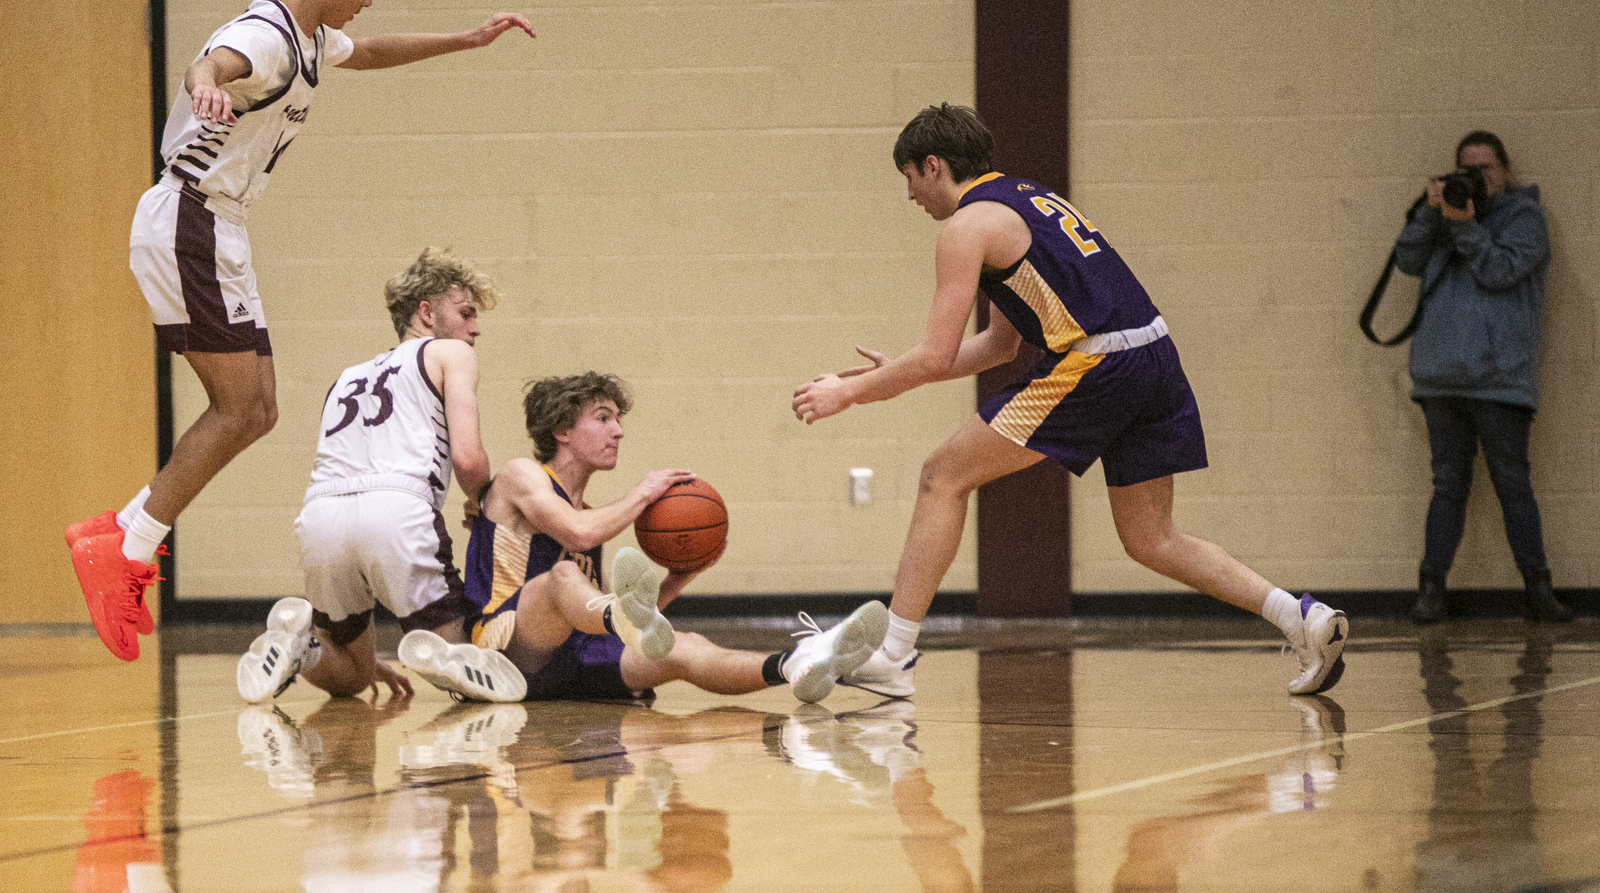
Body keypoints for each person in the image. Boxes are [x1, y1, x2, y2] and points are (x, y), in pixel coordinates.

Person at [65, 0, 537, 662]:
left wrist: (466, 38)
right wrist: (203, 86)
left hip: (220, 227)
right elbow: (213, 64)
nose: (370, 1)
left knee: (258, 412)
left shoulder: (314, 38)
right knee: (236, 408)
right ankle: (122, 546)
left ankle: (122, 534)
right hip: (190, 217)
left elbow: (373, 50)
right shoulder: (264, 36)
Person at [792, 103, 1349, 698]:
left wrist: (848, 391)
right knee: (1150, 538)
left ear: (934, 165)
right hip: (1154, 354)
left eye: (908, 177)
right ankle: (1303, 619)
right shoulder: (1024, 198)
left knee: (941, 476)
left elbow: (935, 356)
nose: (909, 196)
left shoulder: (965, 228)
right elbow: (1000, 346)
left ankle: (894, 655)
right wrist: (898, 370)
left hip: (1100, 363)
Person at [456, 372, 887, 704]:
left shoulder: (592, 515)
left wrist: (675, 582)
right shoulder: (522, 476)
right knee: (563, 576)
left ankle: (799, 665)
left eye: (619, 420)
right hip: (504, 649)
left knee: (686, 648)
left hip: (570, 660)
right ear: (562, 430)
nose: (619, 431)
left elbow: (602, 614)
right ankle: (620, 613)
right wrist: (643, 493)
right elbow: (576, 533)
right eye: (603, 418)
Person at [235, 247, 525, 704]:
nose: (475, 327)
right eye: (466, 312)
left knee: (352, 674)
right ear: (426, 313)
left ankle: (300, 646)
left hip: (321, 520)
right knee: (460, 659)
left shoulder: (348, 376)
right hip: (398, 511)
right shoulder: (451, 354)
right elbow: (469, 459)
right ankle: (441, 654)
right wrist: (481, 502)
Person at [1393, 131, 1571, 623]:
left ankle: (1539, 591)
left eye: (1487, 167)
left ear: (1506, 170)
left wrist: (1465, 225)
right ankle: (1431, 591)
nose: (1478, 177)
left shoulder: (1525, 220)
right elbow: (1406, 261)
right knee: (1448, 485)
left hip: (1500, 380)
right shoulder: (1444, 214)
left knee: (1513, 485)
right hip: (1440, 380)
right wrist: (1432, 212)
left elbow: (1498, 271)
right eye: (1467, 168)